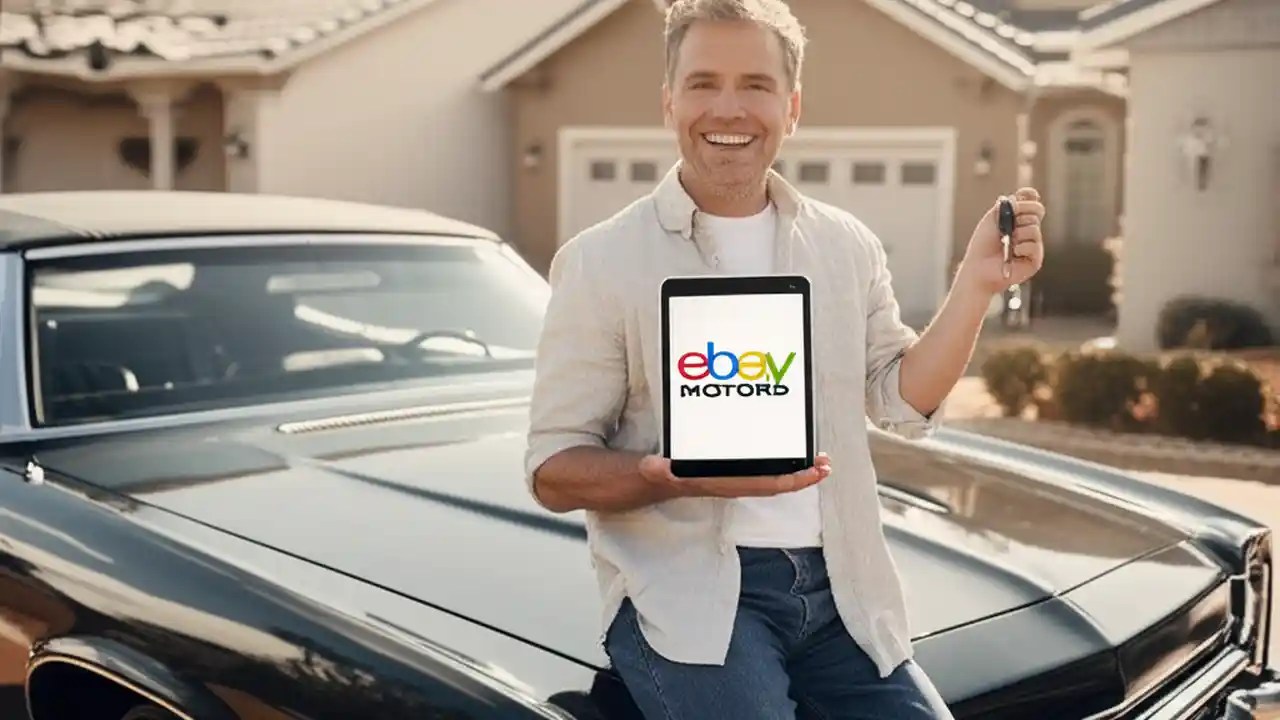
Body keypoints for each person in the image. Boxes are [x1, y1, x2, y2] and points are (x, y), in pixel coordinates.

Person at [523, 0, 1046, 717]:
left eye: (757, 85)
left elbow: (901, 398)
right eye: (704, 82)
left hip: (845, 596)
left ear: (792, 106)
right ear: (669, 100)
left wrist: (976, 285)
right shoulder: (600, 261)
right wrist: (669, 477)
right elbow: (554, 471)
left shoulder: (844, 244)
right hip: (691, 602)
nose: (729, 107)